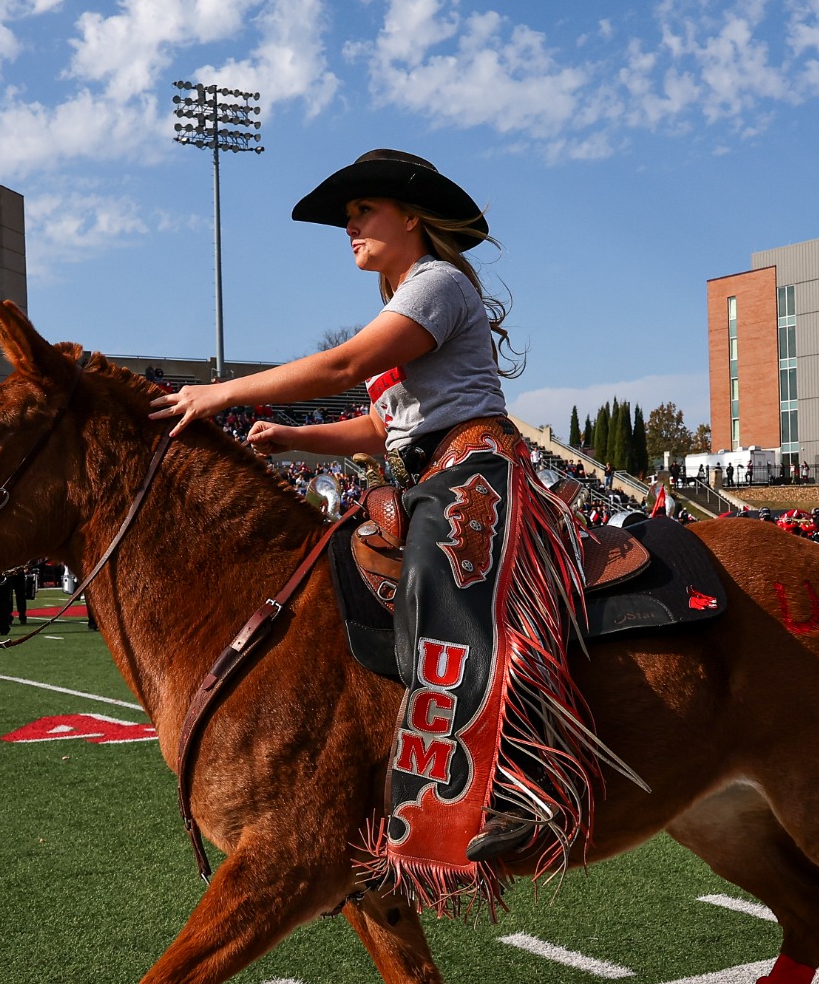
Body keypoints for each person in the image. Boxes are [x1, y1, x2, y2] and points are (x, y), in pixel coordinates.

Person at [149, 148, 607, 881]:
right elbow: (380, 427)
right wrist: (294, 437)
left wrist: (223, 392)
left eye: (364, 210)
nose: (350, 227)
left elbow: (342, 367)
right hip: (424, 476)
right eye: (349, 216)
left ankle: (522, 781)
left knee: (442, 594)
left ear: (413, 217)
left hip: (474, 475)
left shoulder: (437, 282)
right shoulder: (403, 303)